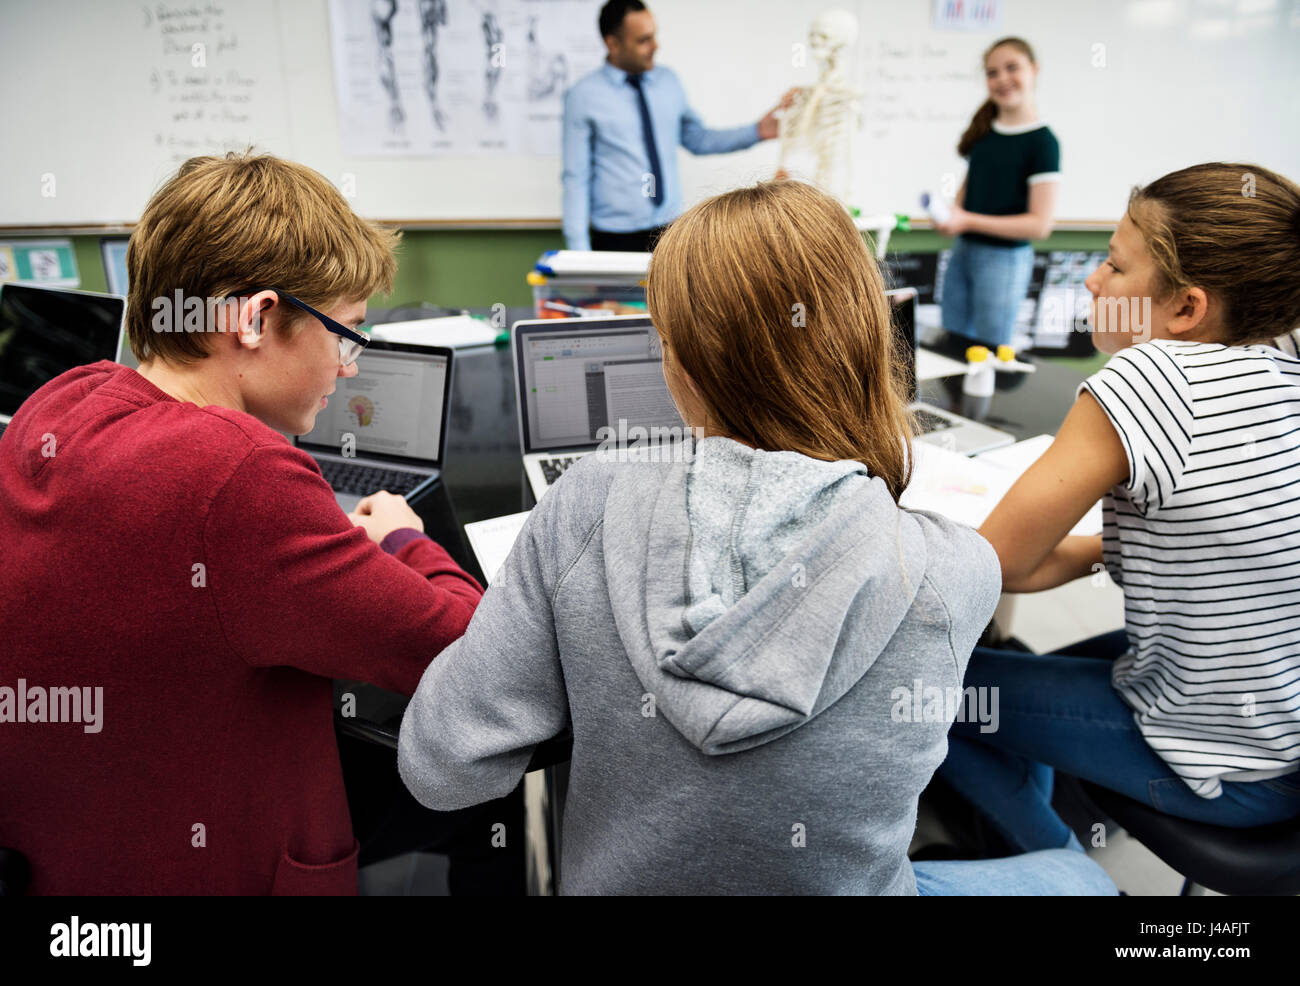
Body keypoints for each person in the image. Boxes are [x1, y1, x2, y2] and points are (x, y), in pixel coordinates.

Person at [397, 179, 1115, 895]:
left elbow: (441, 769)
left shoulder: (585, 504)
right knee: (1078, 877)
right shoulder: (955, 569)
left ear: (680, 361)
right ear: (867, 339)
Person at [0, 151, 516, 895]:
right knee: (485, 789)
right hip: (205, 866)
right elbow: (473, 655)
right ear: (256, 318)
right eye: (345, 333)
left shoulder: (63, 399)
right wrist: (406, 539)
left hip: (73, 853)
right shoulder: (239, 474)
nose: (349, 368)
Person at [937, 162, 1300, 852]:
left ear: (1186, 309)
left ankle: (1053, 872)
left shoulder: (1155, 377)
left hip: (1234, 769)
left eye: (1113, 266)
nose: (1092, 281)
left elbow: (1002, 564)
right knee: (1007, 670)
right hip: (1281, 726)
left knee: (922, 690)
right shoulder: (1282, 352)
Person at [562, 0, 791, 253]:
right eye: (643, 40)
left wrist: (757, 131)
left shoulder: (668, 82)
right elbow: (576, 176)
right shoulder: (583, 96)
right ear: (612, 44)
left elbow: (698, 139)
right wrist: (579, 254)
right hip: (614, 236)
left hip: (669, 230)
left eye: (654, 35)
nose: (655, 46)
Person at [935, 37, 1059, 353]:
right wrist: (952, 218)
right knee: (951, 343)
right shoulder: (984, 133)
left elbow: (1039, 225)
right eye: (992, 73)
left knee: (988, 353)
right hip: (962, 252)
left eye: (1012, 68)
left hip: (1004, 261)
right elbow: (967, 190)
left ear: (1034, 70)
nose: (1002, 79)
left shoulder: (1043, 143)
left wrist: (967, 220)